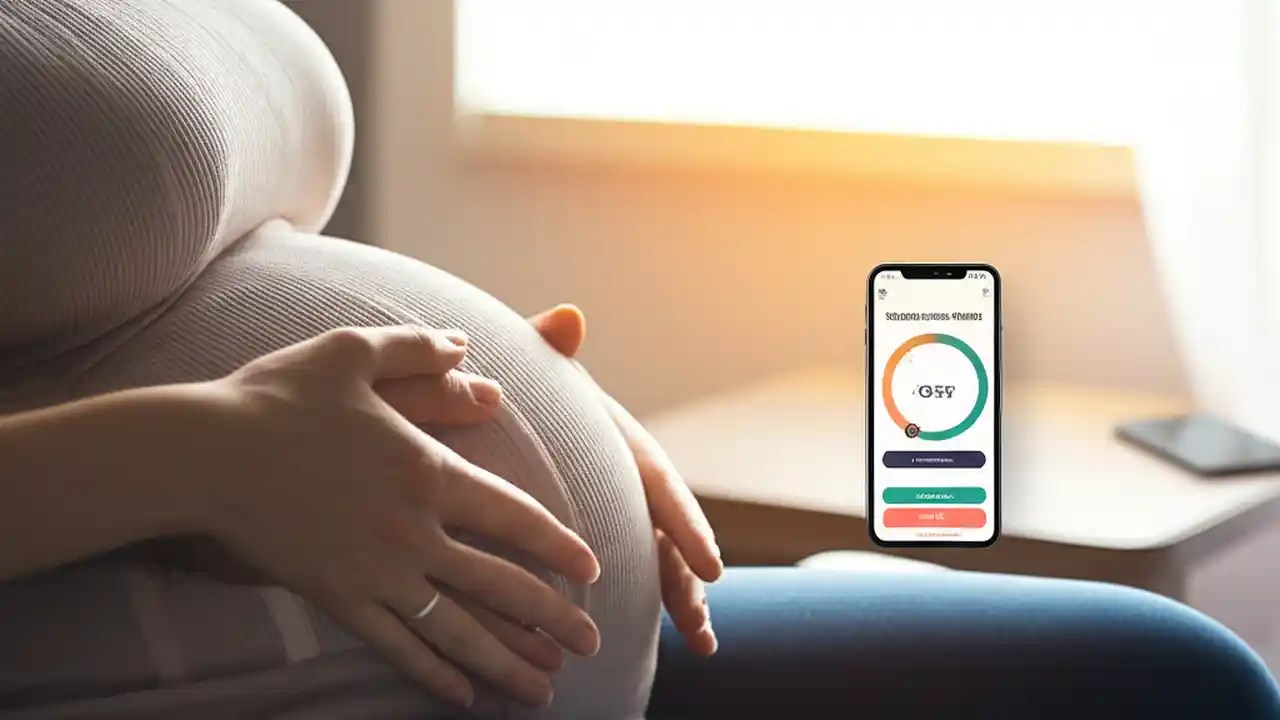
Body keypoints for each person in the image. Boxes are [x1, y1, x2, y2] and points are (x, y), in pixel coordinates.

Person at [0, 1, 1277, 718]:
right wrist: (193, 452)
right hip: (374, 658)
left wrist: (470, 367)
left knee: (1165, 676)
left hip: (538, 653)